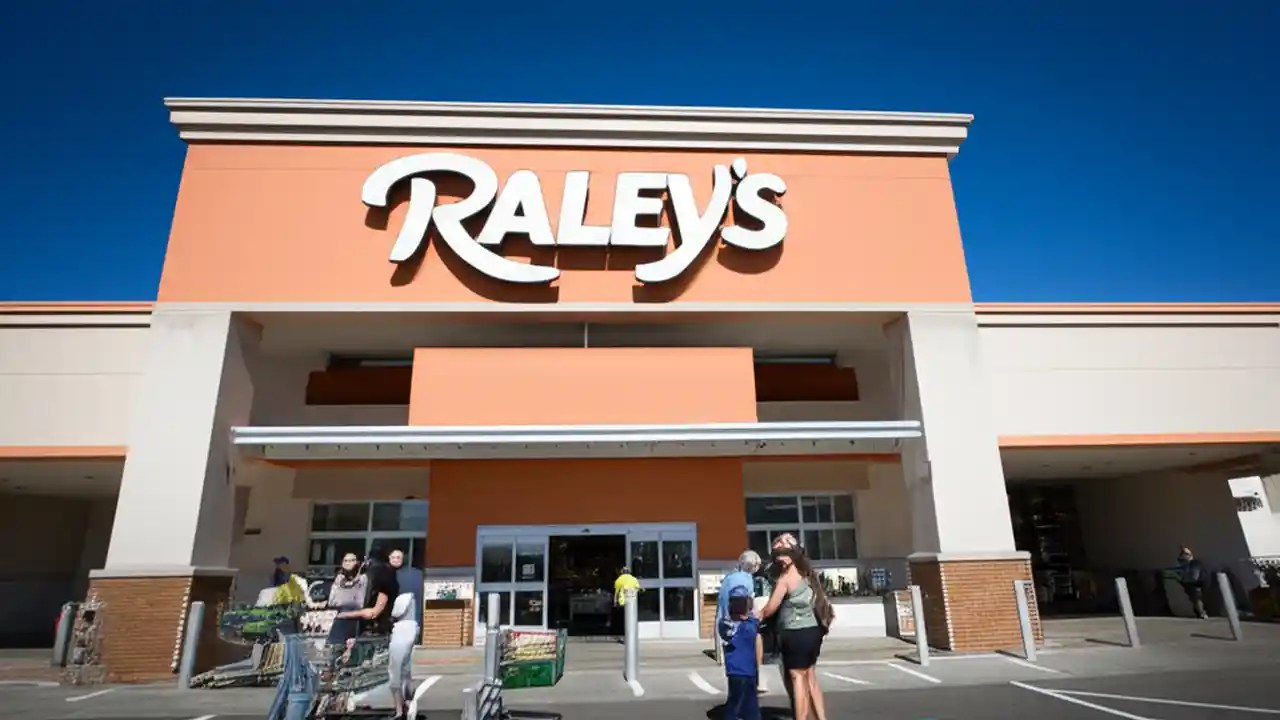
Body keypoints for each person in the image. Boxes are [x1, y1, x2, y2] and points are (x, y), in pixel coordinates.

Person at [758, 547, 833, 720]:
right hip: (813, 631)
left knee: (797, 677)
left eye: (783, 555)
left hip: (795, 632)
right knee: (810, 676)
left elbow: (771, 608)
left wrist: (757, 615)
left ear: (793, 557)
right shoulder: (808, 575)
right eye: (777, 556)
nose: (780, 559)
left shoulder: (785, 579)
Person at [718, 587, 761, 720]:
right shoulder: (730, 624)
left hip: (745, 670)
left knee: (748, 704)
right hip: (740, 670)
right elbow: (728, 630)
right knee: (738, 703)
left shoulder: (750, 623)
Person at [386, 592, 419, 720]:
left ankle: (399, 711)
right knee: (406, 672)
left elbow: (396, 612)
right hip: (410, 633)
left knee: (395, 675)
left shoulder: (404, 598)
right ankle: (409, 704)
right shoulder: (412, 622)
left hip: (401, 635)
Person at [325, 553, 369, 645]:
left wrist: (342, 599)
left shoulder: (363, 579)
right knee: (334, 648)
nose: (349, 563)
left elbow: (359, 603)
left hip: (354, 620)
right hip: (339, 619)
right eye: (346, 561)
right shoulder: (339, 579)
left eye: (352, 560)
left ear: (358, 562)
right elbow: (332, 602)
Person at [389, 549, 425, 636]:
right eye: (393, 557)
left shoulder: (414, 574)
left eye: (398, 557)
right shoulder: (384, 573)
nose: (395, 560)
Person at [1176, 546, 1209, 619]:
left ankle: (1202, 613)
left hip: (1197, 583)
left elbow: (1194, 576)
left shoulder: (1194, 563)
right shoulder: (1185, 564)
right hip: (1191, 583)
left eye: (1186, 555)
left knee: (1197, 598)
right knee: (1195, 599)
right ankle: (1199, 612)